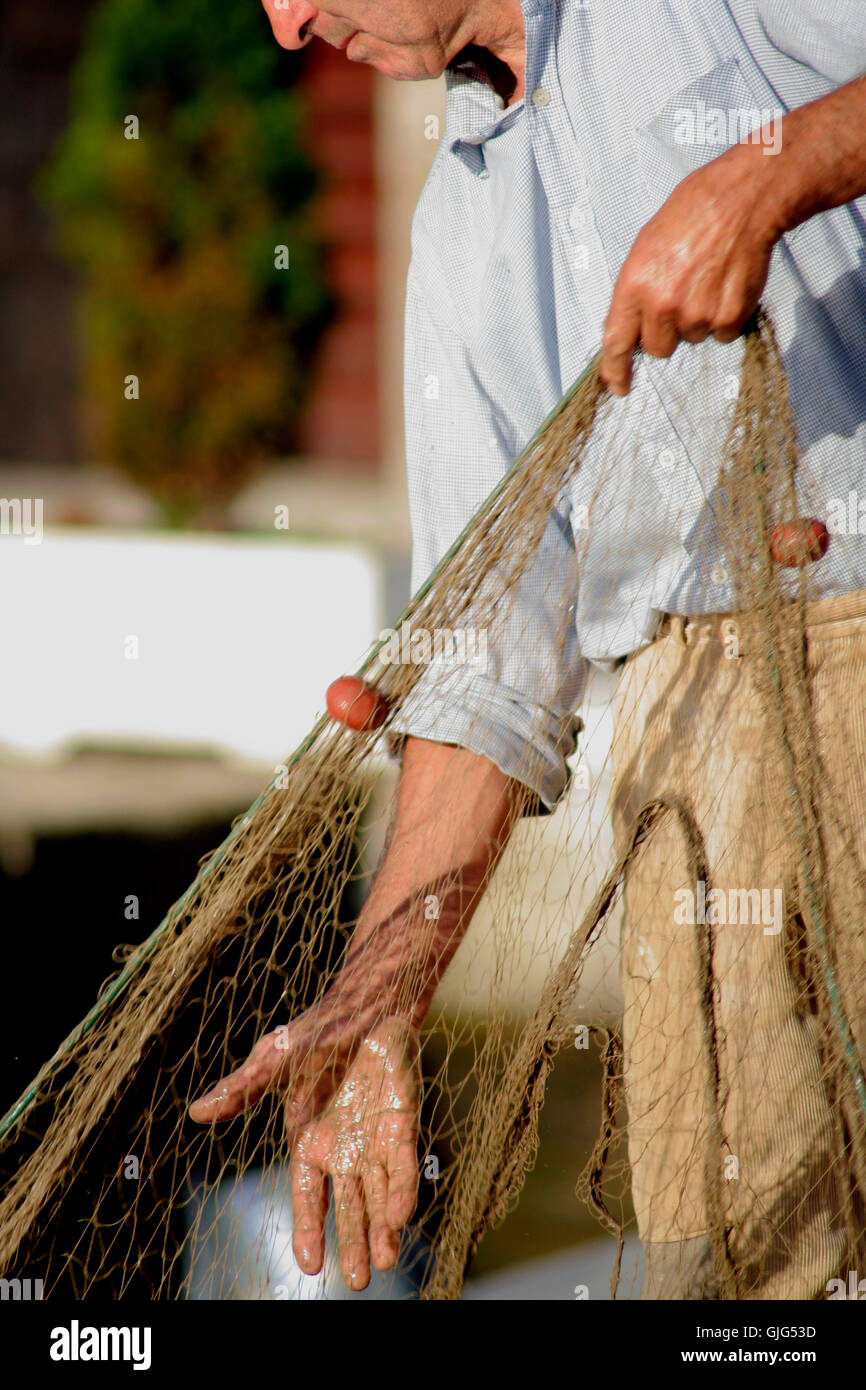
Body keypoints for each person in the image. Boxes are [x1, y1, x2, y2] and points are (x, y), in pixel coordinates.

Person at [190, 0, 866, 1299]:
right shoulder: (454, 233)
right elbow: (485, 672)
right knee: (747, 1282)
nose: (284, 26)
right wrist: (375, 998)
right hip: (694, 744)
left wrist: (770, 169)